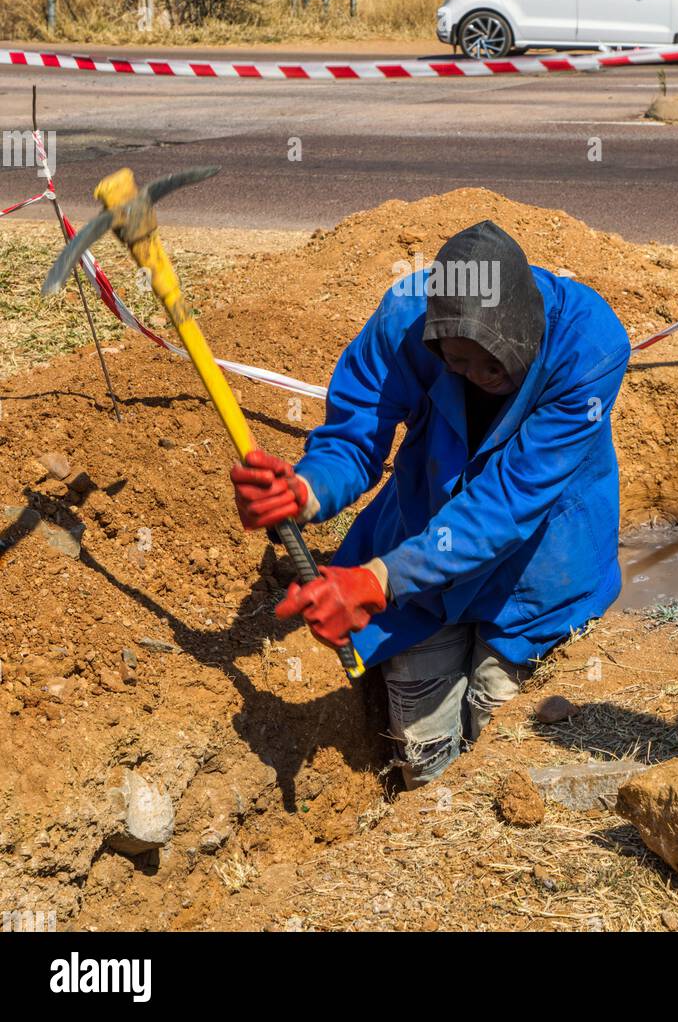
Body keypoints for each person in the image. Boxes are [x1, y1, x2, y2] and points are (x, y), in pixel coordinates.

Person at [230, 220, 630, 787]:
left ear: (530, 325)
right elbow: (353, 439)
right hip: (424, 544)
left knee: (501, 732)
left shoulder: (589, 347)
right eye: (461, 364)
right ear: (435, 340)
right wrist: (305, 490)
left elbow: (509, 501)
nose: (483, 378)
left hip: (539, 563)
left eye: (498, 365)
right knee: (422, 749)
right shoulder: (402, 325)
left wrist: (374, 580)